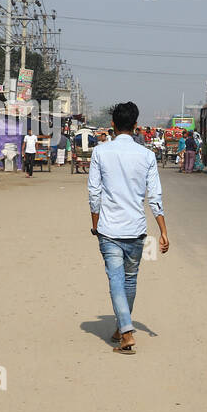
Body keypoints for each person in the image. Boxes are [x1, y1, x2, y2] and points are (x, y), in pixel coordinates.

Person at [88, 101, 169, 355]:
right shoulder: (146, 156)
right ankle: (123, 327)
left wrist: (95, 224)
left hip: (109, 230)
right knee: (130, 280)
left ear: (112, 125)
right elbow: (154, 196)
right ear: (135, 127)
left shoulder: (100, 152)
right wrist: (163, 230)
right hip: (136, 229)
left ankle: (126, 332)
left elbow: (93, 193)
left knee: (116, 280)